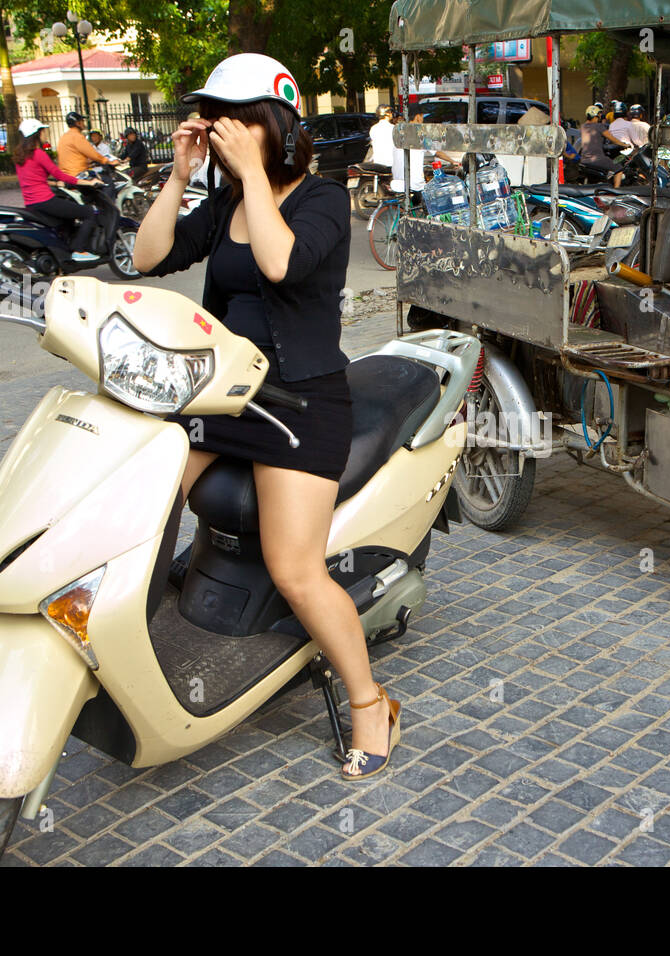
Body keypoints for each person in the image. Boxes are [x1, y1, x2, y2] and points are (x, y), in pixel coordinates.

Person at [131, 53, 400, 781]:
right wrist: (182, 176)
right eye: (212, 119)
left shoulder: (321, 200)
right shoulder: (220, 204)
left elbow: (281, 265)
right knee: (142, 507)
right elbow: (146, 255)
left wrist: (252, 175)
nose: (217, 130)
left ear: (270, 125)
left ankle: (370, 700)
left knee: (296, 570)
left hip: (299, 403)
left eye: (232, 119)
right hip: (220, 397)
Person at [11, 117, 101, 263]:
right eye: (42, 131)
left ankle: (65, 252)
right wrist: (89, 182)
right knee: (89, 212)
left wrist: (54, 183)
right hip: (45, 200)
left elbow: (32, 178)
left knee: (68, 216)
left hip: (31, 203)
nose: (45, 134)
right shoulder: (38, 154)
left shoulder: (20, 157)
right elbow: (60, 174)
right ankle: (78, 250)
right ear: (36, 134)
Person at [578, 104, 629, 187]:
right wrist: (624, 144)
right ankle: (616, 191)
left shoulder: (583, 126)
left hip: (584, 159)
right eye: (598, 116)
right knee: (618, 168)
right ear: (594, 116)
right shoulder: (599, 126)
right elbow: (612, 139)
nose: (599, 118)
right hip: (597, 159)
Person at [58, 110, 119, 177]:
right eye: (82, 121)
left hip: (66, 174)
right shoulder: (77, 137)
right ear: (78, 123)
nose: (84, 123)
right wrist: (109, 162)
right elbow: (93, 154)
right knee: (107, 182)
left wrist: (89, 162)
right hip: (77, 174)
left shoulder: (64, 137)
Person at [391, 111, 428, 192]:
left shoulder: (398, 132)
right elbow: (437, 153)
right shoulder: (420, 133)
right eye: (422, 116)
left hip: (396, 181)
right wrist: (453, 161)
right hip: (415, 184)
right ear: (417, 116)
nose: (422, 119)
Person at [367, 105, 394, 170]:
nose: (392, 114)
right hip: (391, 163)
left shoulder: (373, 128)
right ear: (387, 114)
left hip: (377, 163)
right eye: (390, 112)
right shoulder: (393, 128)